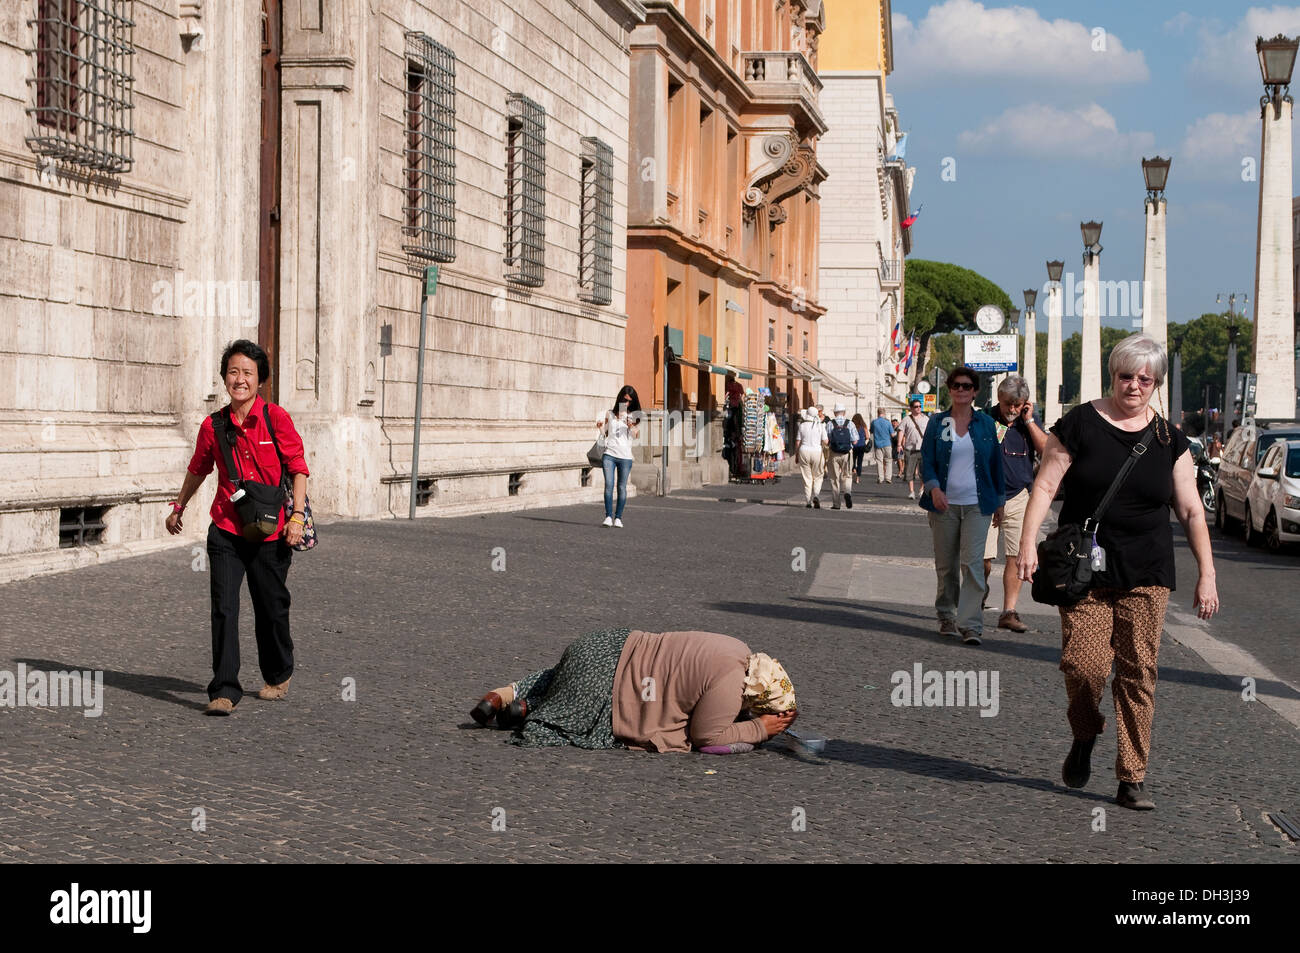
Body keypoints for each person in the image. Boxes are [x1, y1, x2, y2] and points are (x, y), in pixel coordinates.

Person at [1017, 334, 1219, 811]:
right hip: (1083, 570)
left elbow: (1191, 511)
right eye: (1126, 376)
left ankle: (1132, 776)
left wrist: (1207, 573)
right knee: (1083, 666)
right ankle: (1085, 732)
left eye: (1144, 379)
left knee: (1137, 673)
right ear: (1113, 375)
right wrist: (1027, 543)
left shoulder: (1171, 440)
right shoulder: (1080, 424)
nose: (1134, 385)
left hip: (1147, 570)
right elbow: (1045, 486)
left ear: (1156, 384)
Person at [166, 339, 310, 716]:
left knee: (271, 607)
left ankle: (278, 673)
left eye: (248, 372)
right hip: (227, 529)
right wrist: (178, 506)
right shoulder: (213, 426)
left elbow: (298, 468)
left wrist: (296, 517)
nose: (240, 379)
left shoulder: (276, 418)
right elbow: (199, 468)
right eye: (233, 372)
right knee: (224, 608)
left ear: (260, 379)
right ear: (224, 378)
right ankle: (225, 689)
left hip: (271, 531)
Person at [469, 628, 798, 754]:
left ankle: (503, 696)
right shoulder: (731, 687)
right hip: (610, 690)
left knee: (559, 676)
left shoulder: (737, 647)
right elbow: (705, 736)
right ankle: (529, 711)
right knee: (587, 711)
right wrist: (759, 728)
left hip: (607, 643)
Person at [919, 366, 1006, 645]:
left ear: (975, 391)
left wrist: (1000, 502)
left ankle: (971, 624)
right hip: (944, 505)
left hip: (977, 505)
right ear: (949, 389)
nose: (961, 390)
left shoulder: (985, 424)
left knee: (972, 565)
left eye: (966, 386)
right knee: (946, 565)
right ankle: (947, 615)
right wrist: (933, 488)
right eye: (956, 385)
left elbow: (996, 465)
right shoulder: (938, 422)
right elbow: (927, 460)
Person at [982, 375, 1047, 634]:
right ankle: (979, 595)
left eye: (1018, 405)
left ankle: (1008, 612)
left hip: (1019, 496)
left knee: (1015, 557)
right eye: (1008, 404)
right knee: (983, 559)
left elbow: (1046, 450)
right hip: (987, 497)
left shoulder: (1027, 421)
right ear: (999, 399)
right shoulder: (985, 420)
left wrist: (1029, 421)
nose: (1012, 409)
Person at [596, 385, 641, 528]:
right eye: (624, 399)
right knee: (609, 486)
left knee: (621, 487)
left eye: (629, 401)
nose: (626, 403)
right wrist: (600, 427)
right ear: (619, 398)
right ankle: (608, 516)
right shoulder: (610, 414)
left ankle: (618, 518)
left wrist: (630, 426)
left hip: (625, 457)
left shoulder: (633, 416)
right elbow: (605, 434)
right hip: (609, 454)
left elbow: (636, 435)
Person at [824, 403, 858, 509]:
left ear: (834, 413)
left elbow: (826, 440)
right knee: (847, 476)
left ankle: (836, 504)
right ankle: (847, 492)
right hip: (846, 454)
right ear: (844, 412)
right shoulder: (850, 423)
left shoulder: (830, 424)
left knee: (834, 478)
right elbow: (855, 441)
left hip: (833, 454)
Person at [795, 407, 828, 508]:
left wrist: (797, 455)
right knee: (818, 476)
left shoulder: (802, 425)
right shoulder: (820, 426)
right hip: (817, 451)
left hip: (804, 451)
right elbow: (826, 441)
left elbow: (797, 442)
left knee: (807, 477)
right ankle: (816, 495)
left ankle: (808, 501)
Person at [899, 399, 929, 499]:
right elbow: (901, 431)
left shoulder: (926, 419)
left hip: (923, 448)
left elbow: (930, 433)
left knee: (924, 471)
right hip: (910, 449)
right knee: (909, 471)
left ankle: (921, 489)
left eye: (920, 406)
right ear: (911, 408)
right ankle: (911, 491)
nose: (918, 408)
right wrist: (899, 444)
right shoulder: (906, 419)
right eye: (916, 406)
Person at [870, 409, 895, 483]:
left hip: (877, 444)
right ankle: (888, 477)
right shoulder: (888, 422)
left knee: (879, 461)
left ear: (877, 413)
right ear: (884, 413)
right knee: (888, 461)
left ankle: (880, 478)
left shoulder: (874, 422)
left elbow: (871, 431)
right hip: (887, 443)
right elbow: (892, 434)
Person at [851, 412, 869, 484]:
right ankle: (858, 478)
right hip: (861, 446)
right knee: (860, 462)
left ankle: (853, 470)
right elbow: (867, 436)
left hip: (853, 446)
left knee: (853, 461)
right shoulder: (864, 426)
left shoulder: (852, 426)